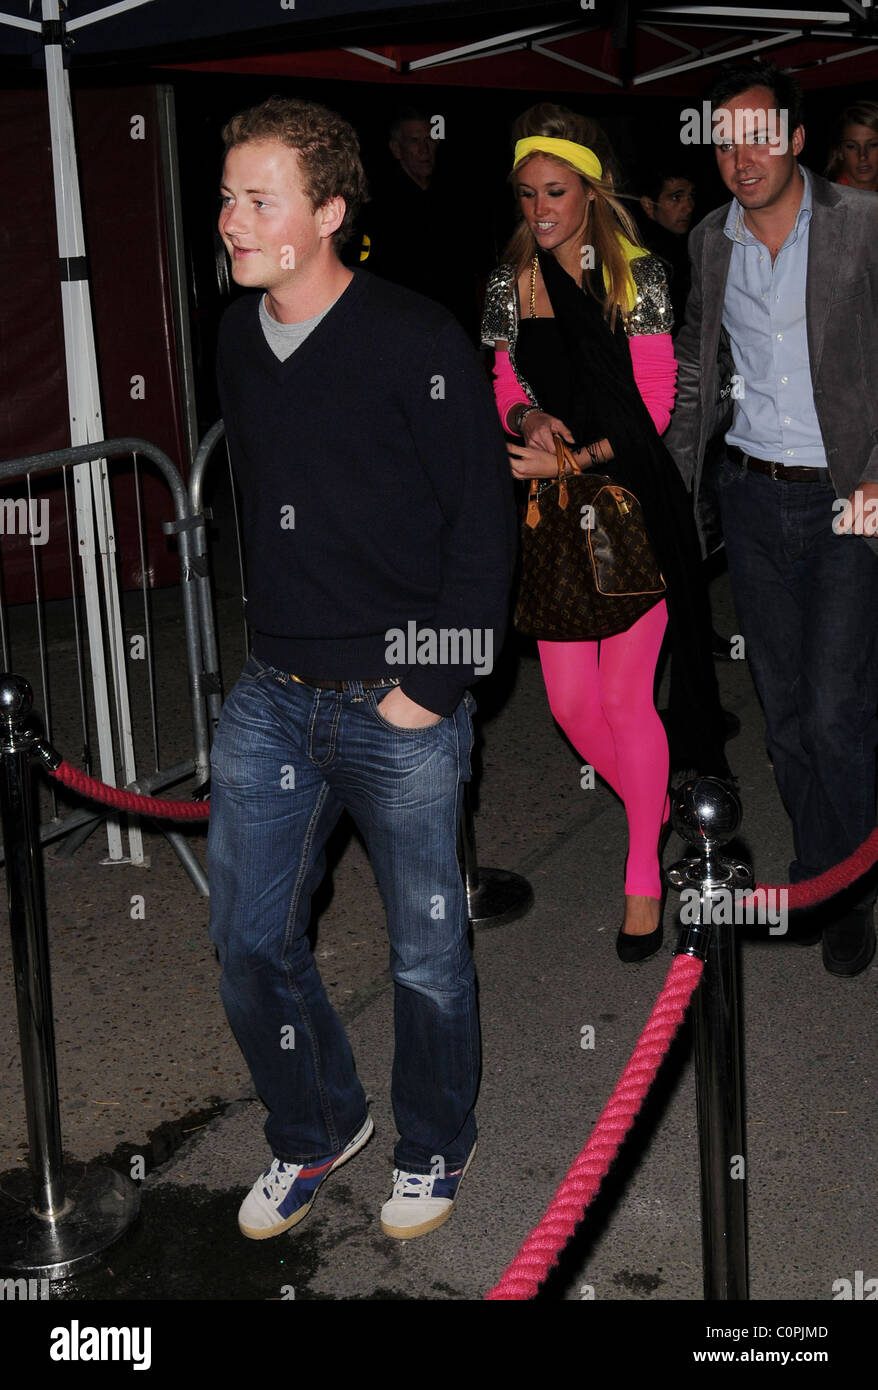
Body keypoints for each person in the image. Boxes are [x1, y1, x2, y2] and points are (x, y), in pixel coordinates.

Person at [210, 96, 516, 1242]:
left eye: (260, 199)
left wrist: (427, 688)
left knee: (426, 952)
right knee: (247, 937)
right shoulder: (238, 334)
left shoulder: (416, 337)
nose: (233, 220)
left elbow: (482, 534)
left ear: (328, 212)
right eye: (228, 198)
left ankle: (433, 1144)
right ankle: (316, 1123)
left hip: (400, 700)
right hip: (272, 695)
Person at [481, 103, 727, 964]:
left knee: (626, 699)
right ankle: (661, 811)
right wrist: (526, 413)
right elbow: (502, 380)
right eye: (526, 195)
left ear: (592, 191)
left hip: (631, 506)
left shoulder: (640, 276)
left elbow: (655, 404)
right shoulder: (509, 284)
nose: (540, 210)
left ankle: (642, 877)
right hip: (553, 523)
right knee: (569, 704)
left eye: (555, 191)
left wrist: (572, 458)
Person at [664, 62, 878, 976]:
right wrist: (669, 482)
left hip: (847, 495)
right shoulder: (710, 240)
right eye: (723, 140)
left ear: (795, 139)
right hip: (751, 494)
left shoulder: (864, 225)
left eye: (757, 137)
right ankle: (823, 863)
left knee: (837, 710)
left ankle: (842, 884)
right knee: (784, 709)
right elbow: (693, 370)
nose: (738, 156)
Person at [357, 107, 482, 334]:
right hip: (405, 328)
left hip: (456, 326)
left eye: (430, 140)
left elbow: (470, 266)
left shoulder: (456, 199)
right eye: (415, 141)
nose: (424, 149)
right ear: (397, 149)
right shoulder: (380, 207)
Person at [636, 160, 697, 332]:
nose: (688, 207)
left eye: (691, 196)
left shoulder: (693, 242)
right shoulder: (647, 257)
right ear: (648, 205)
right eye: (676, 197)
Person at [825, 99, 878, 192]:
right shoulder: (819, 202)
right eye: (852, 146)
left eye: (873, 145)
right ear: (840, 152)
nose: (862, 156)